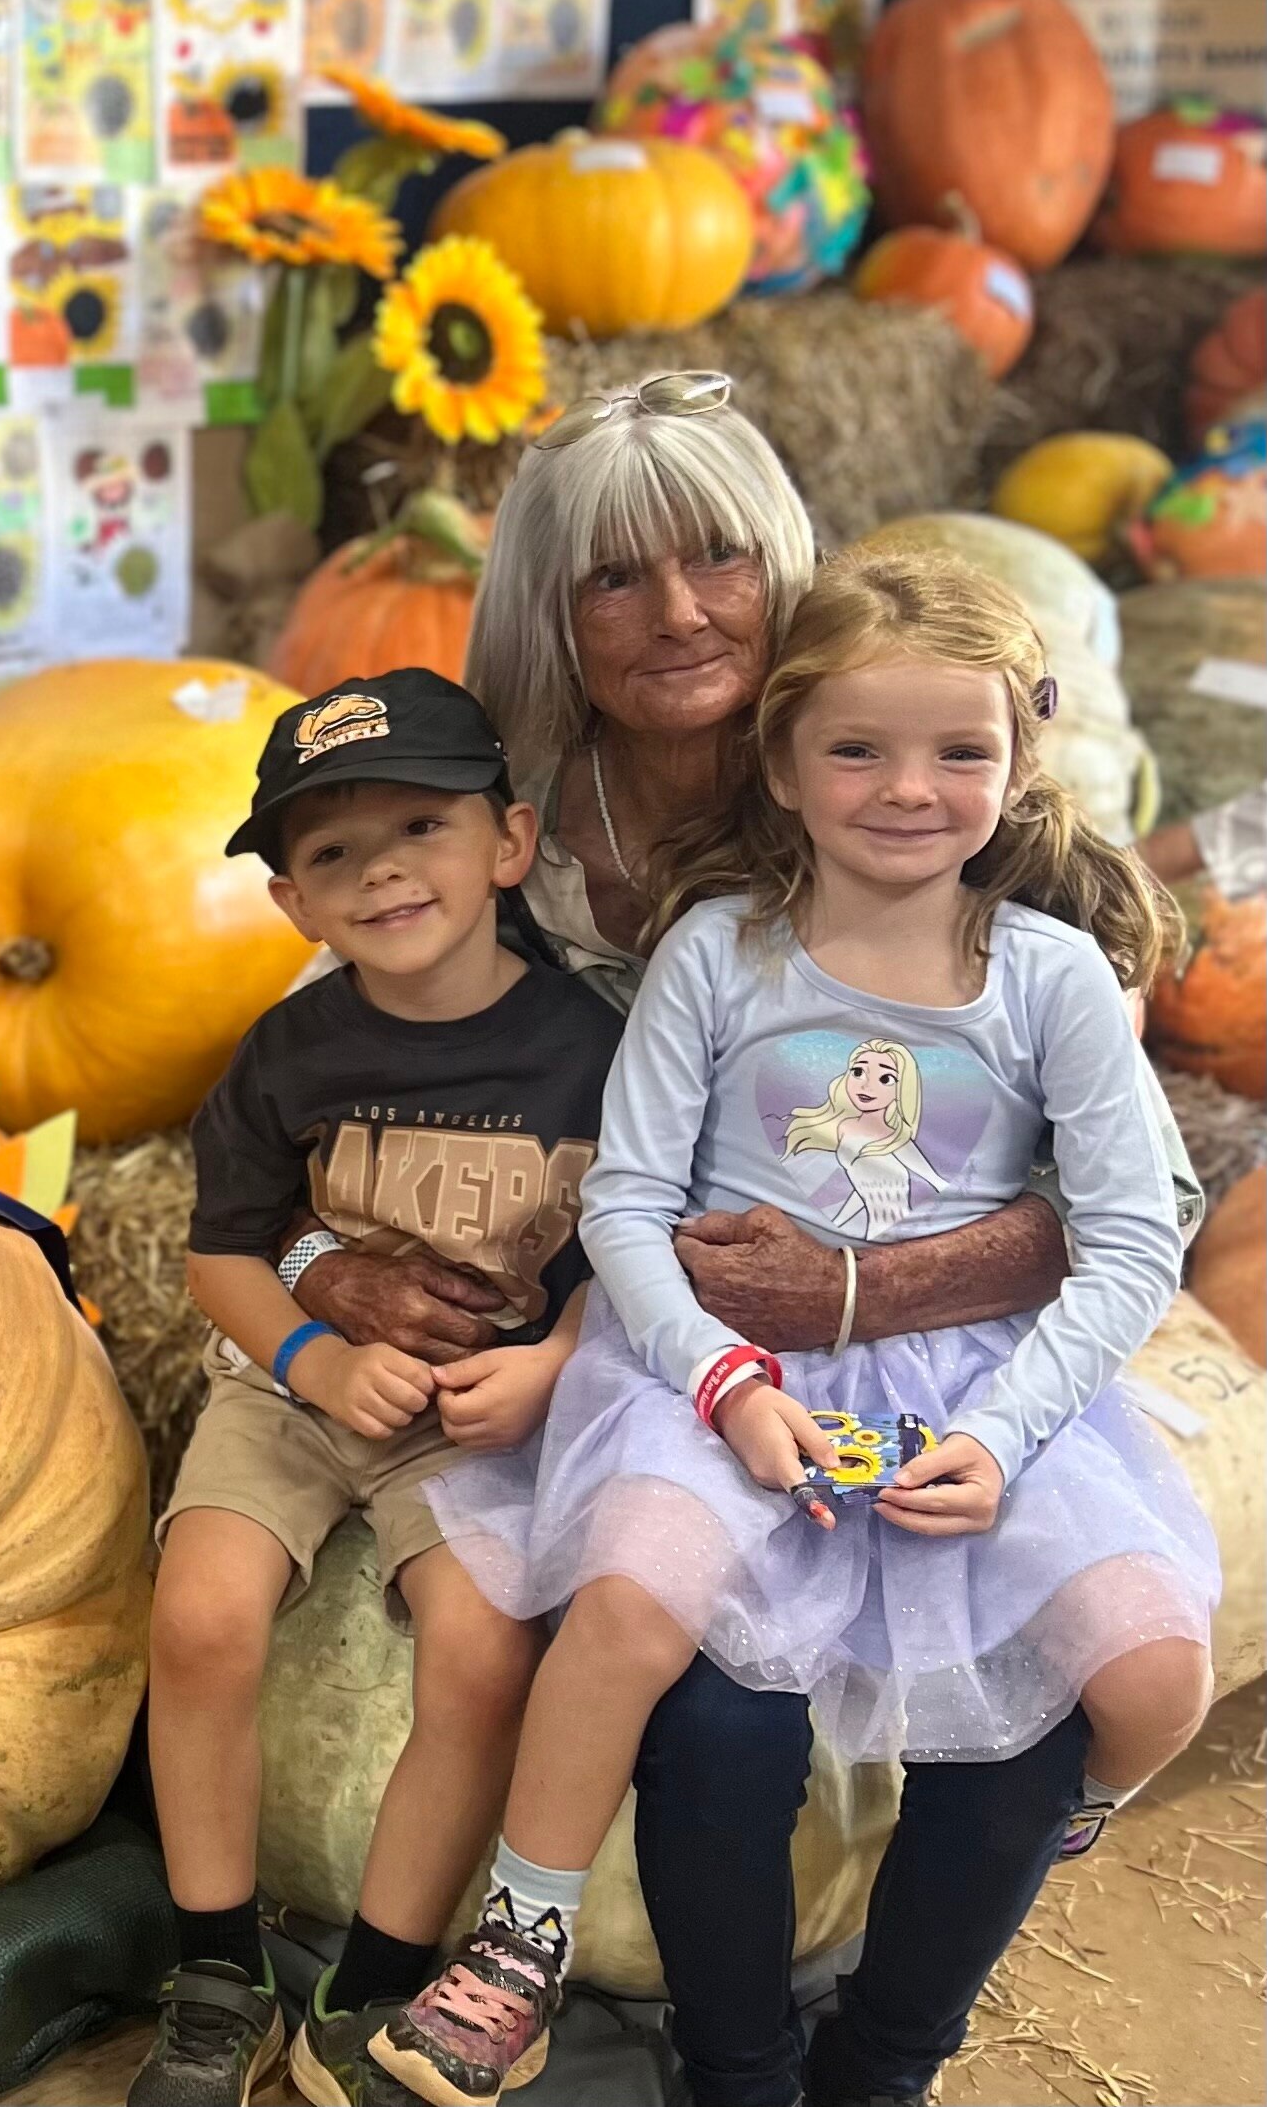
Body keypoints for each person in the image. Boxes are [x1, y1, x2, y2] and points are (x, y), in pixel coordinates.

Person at [287, 375, 1206, 2107]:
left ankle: (888, 2044)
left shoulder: (1009, 887)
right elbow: (355, 1070)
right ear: (548, 616)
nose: (676, 611)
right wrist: (312, 1264)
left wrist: (867, 1297)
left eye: (715, 556)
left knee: (1086, 1683)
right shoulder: (510, 842)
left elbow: (1127, 1211)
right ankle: (653, 2019)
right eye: (611, 577)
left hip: (937, 1369)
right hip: (678, 1353)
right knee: (686, 1680)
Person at [132, 672, 624, 2107]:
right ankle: (215, 1969)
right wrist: (314, 1358)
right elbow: (220, 1252)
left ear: (509, 843)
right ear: (294, 902)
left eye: (420, 826)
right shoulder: (287, 1050)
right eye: (334, 852)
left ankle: (375, 1980)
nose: (383, 872)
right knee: (199, 1614)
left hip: (472, 1419)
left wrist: (553, 1364)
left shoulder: (594, 1050)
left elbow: (631, 1248)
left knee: (481, 1653)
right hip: (291, 1391)